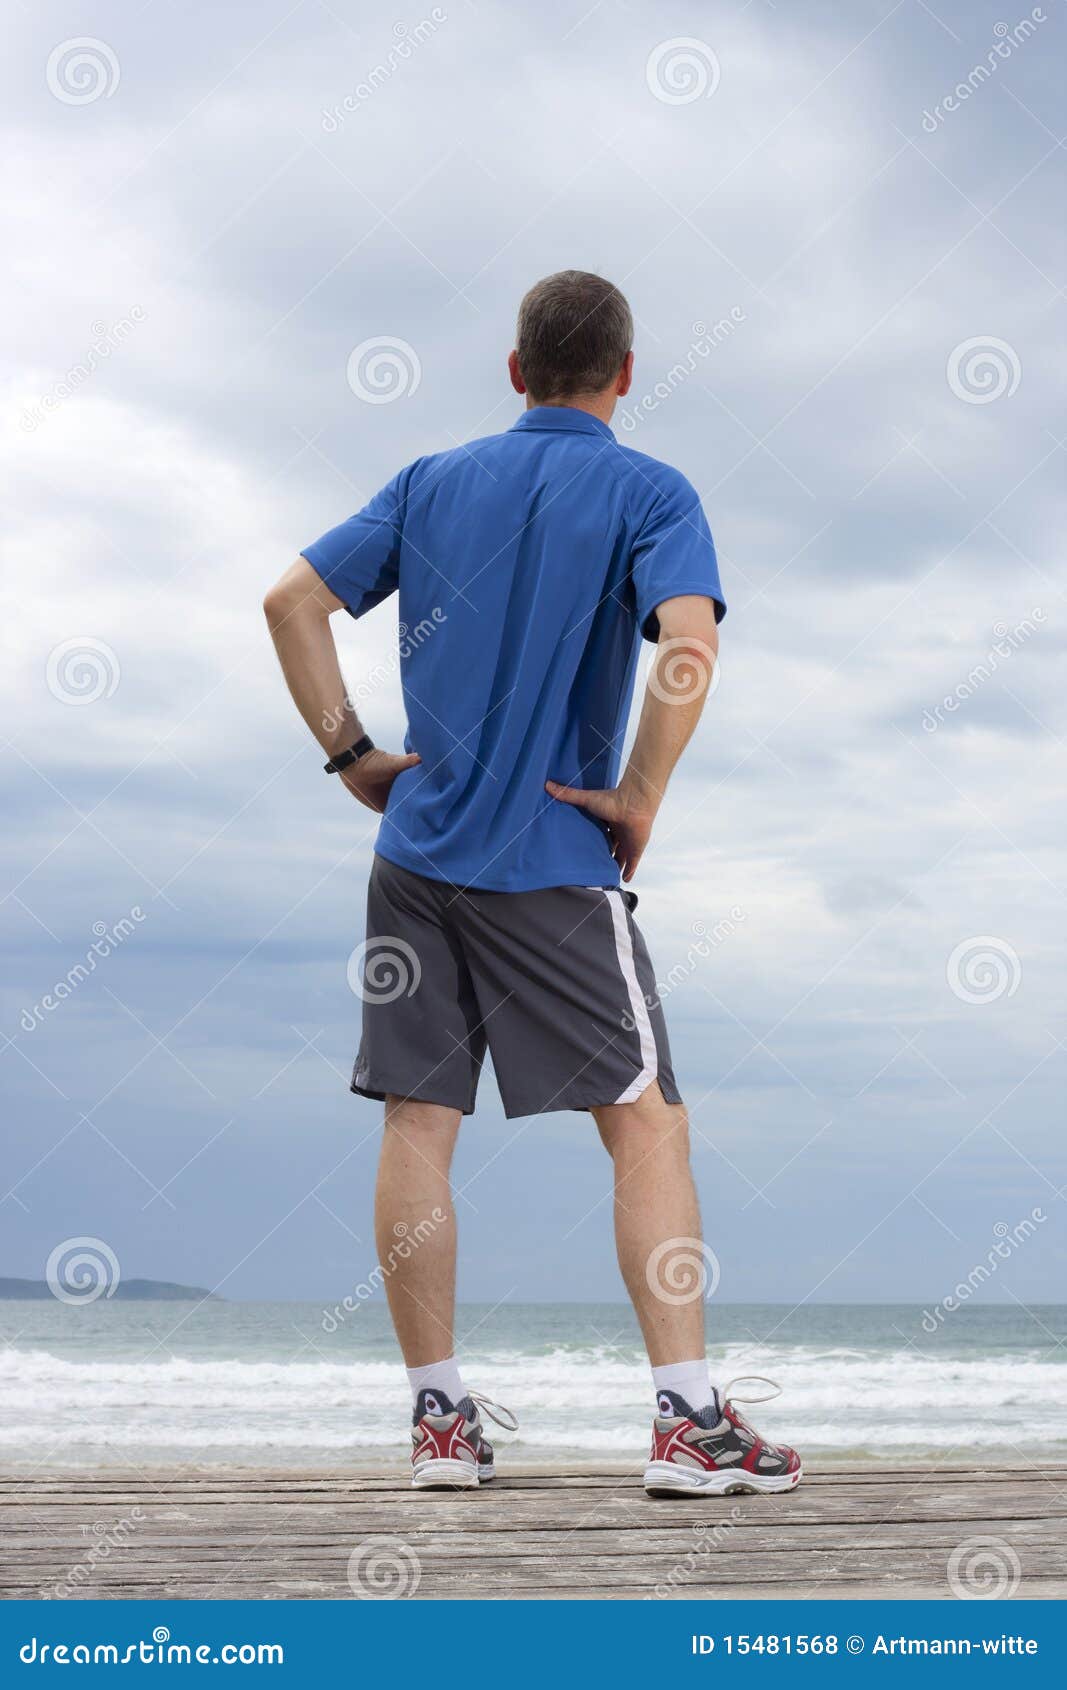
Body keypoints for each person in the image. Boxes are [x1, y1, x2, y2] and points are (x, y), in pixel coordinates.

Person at [265, 270, 801, 1497]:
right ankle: (686, 1425)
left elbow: (289, 600)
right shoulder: (648, 489)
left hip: (414, 854)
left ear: (514, 372)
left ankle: (439, 1426)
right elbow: (689, 644)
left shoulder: (428, 480)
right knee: (646, 1124)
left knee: (417, 1124)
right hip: (553, 858)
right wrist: (637, 794)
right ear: (622, 377)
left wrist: (350, 755)